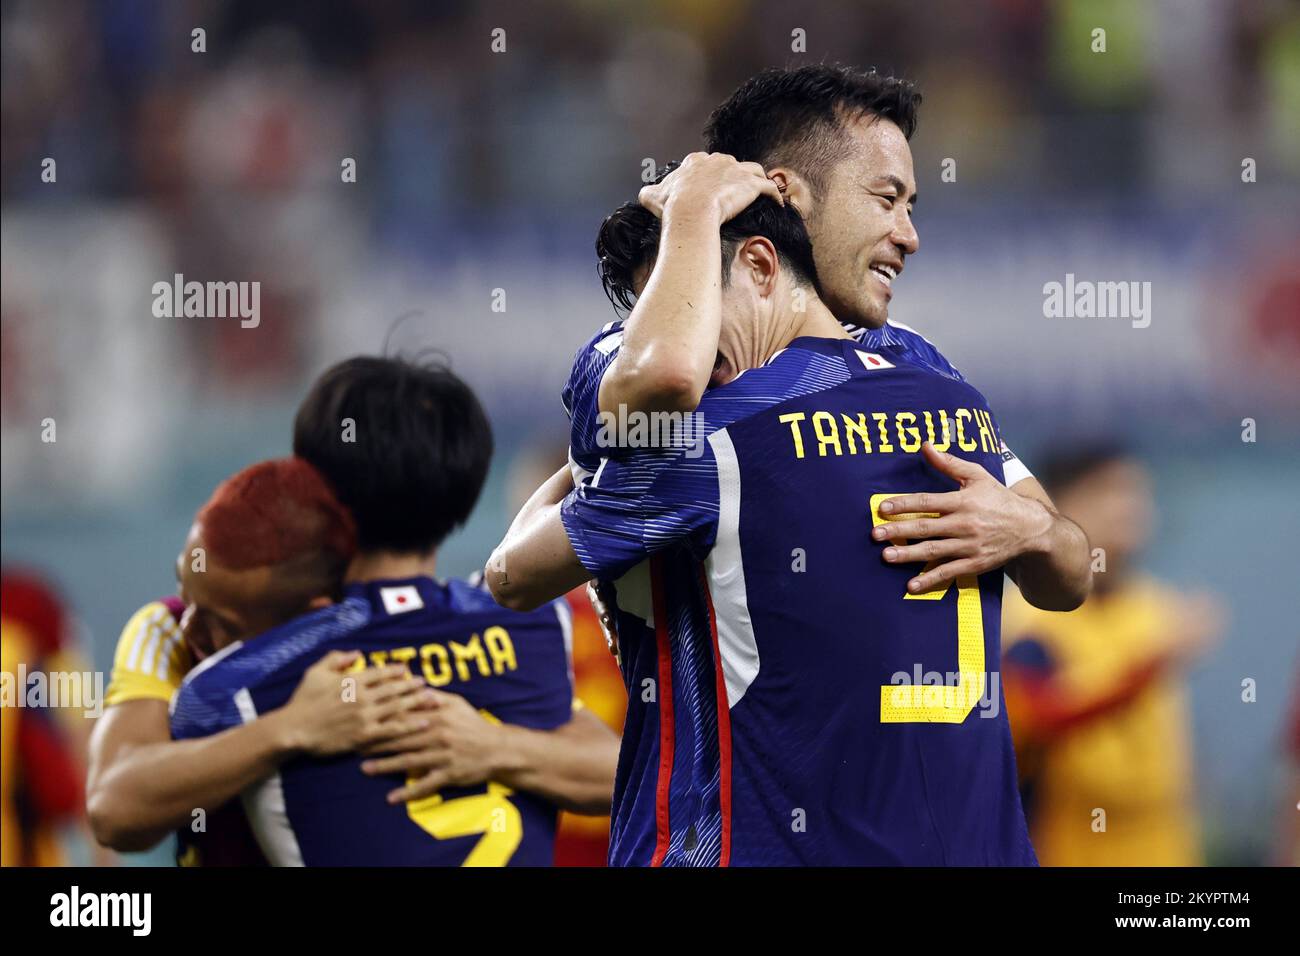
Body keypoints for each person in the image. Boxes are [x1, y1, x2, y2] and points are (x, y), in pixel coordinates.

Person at [489, 183, 1036, 865]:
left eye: (682, 304)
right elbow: (1064, 561)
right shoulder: (952, 398)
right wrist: (1040, 533)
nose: (676, 333)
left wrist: (594, 457)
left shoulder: (714, 441)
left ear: (758, 265)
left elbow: (509, 574)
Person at [569, 65, 1090, 611]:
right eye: (886, 200)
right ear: (785, 194)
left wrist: (1030, 529)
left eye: (910, 207)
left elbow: (1071, 577)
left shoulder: (913, 360)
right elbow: (513, 575)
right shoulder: (636, 352)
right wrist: (695, 210)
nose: (909, 237)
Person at [171, 357, 618, 865]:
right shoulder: (533, 628)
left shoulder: (237, 682)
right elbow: (629, 776)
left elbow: (118, 812)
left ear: (314, 488)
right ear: (466, 489)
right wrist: (498, 747)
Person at [1002, 444, 1220, 866]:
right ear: (1056, 505)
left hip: (1162, 849)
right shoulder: (1023, 620)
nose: (1129, 508)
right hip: (1066, 846)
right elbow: (1045, 719)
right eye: (1109, 492)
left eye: (1137, 493)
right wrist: (1150, 664)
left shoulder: (1158, 607)